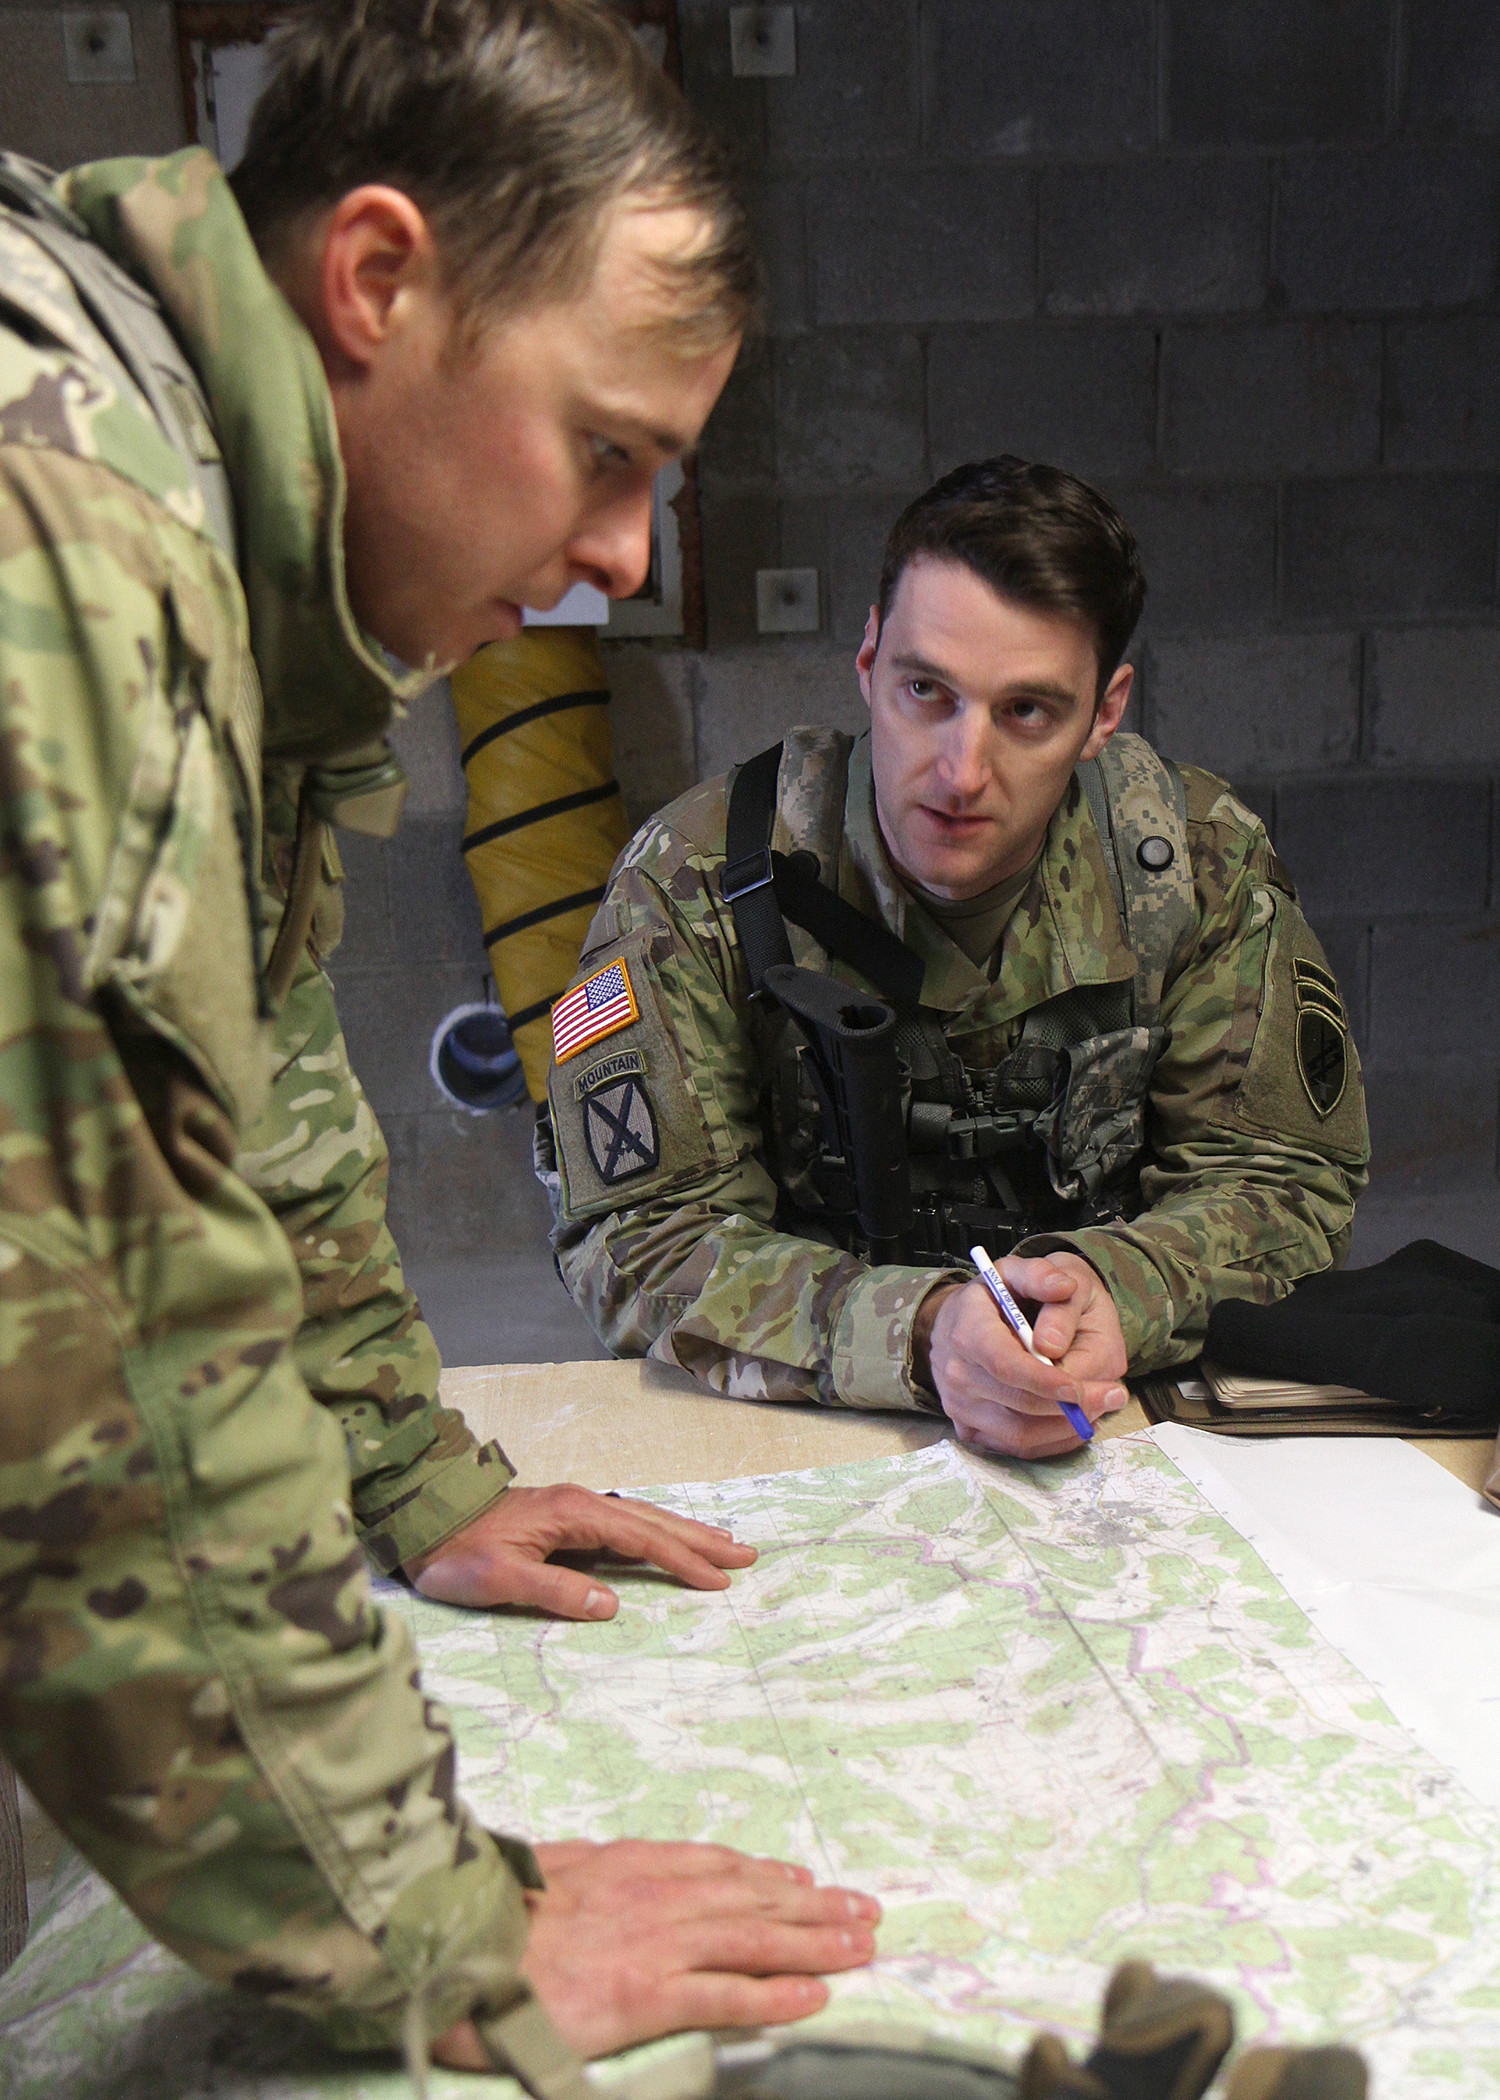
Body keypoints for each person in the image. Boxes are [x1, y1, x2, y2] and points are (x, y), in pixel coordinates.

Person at [0, 0, 880, 2083]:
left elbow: (252, 1079)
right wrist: (432, 1923)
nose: (621, 561)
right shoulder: (68, 542)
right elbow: (91, 1341)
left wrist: (401, 1465)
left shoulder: (215, 539)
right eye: (605, 452)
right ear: (380, 281)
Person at [541, 458, 1371, 1458]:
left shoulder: (1193, 868)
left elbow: (1287, 1180)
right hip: (812, 1415)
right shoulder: (700, 878)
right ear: (867, 661)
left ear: (1105, 713)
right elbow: (641, 1238)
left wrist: (1120, 1290)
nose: (961, 772)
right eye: (925, 691)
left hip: (1108, 1401)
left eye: (1026, 711)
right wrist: (924, 1331)